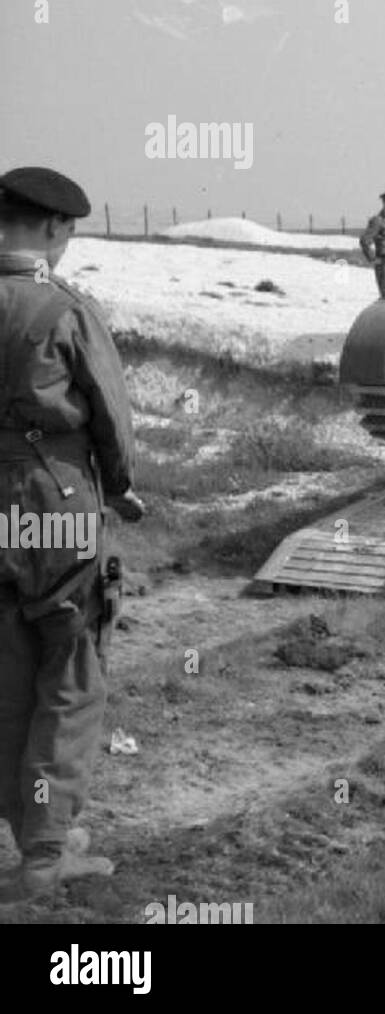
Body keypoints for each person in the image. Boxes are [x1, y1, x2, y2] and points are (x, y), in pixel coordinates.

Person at [0, 167, 144, 900]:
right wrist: (119, 489)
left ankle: (32, 838)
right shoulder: (64, 309)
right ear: (55, 228)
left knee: (10, 670)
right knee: (71, 664)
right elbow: (111, 417)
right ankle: (47, 856)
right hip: (54, 503)